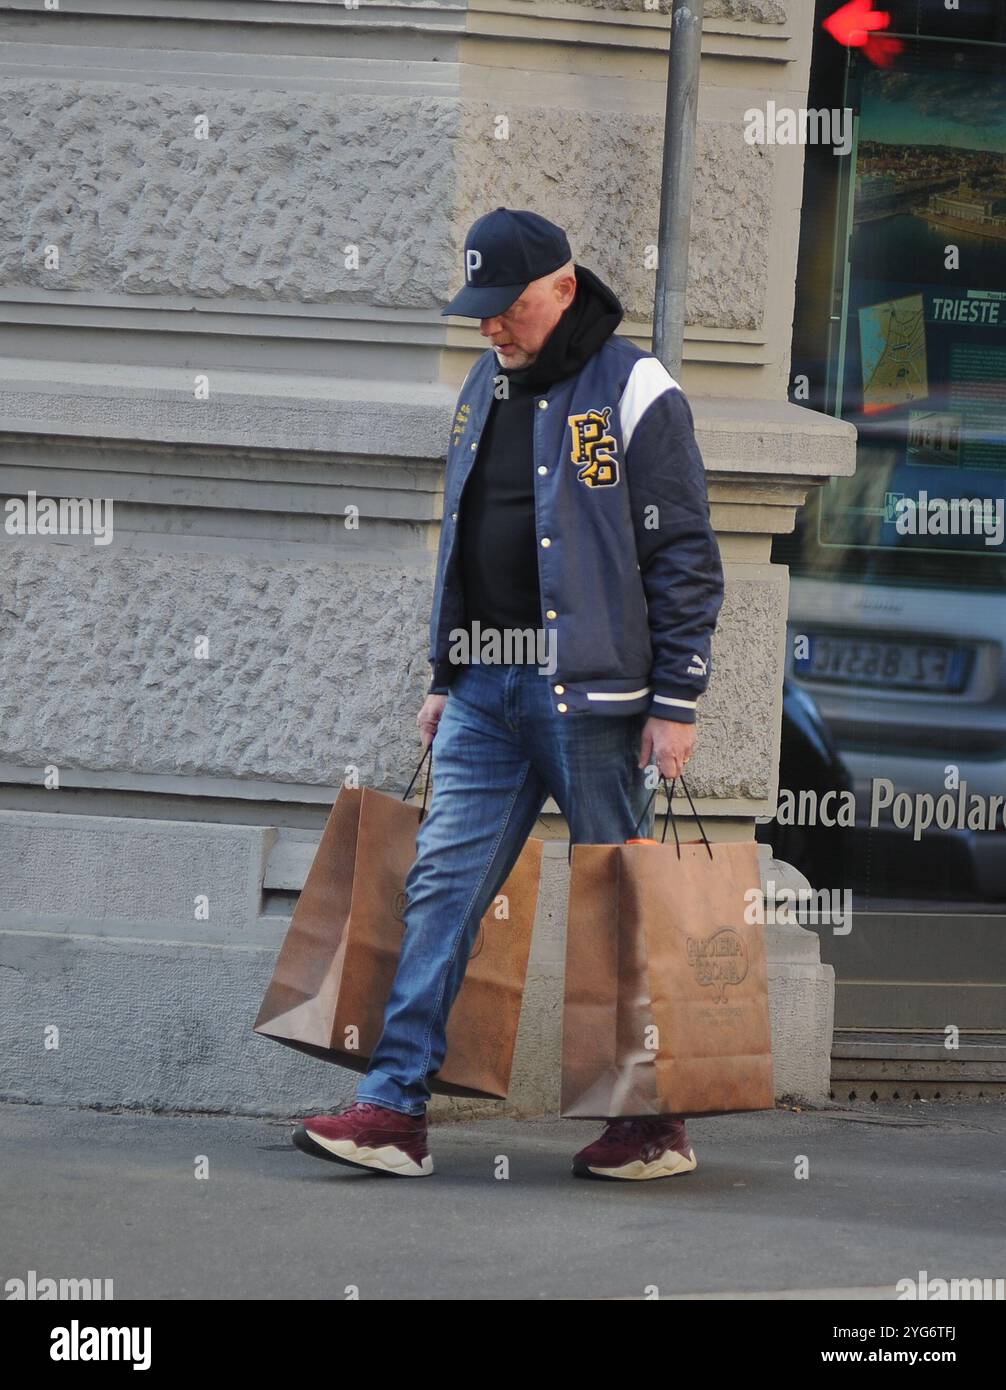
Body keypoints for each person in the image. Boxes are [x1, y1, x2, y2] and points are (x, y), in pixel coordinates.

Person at [293, 208, 724, 1180]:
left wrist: (678, 700)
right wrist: (446, 676)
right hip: (486, 691)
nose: (492, 327)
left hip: (602, 700)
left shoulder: (635, 387)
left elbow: (684, 554)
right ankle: (393, 1108)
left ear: (564, 289)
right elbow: (464, 537)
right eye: (482, 309)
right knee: (440, 883)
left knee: (618, 905)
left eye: (511, 307)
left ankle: (649, 1123)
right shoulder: (482, 387)